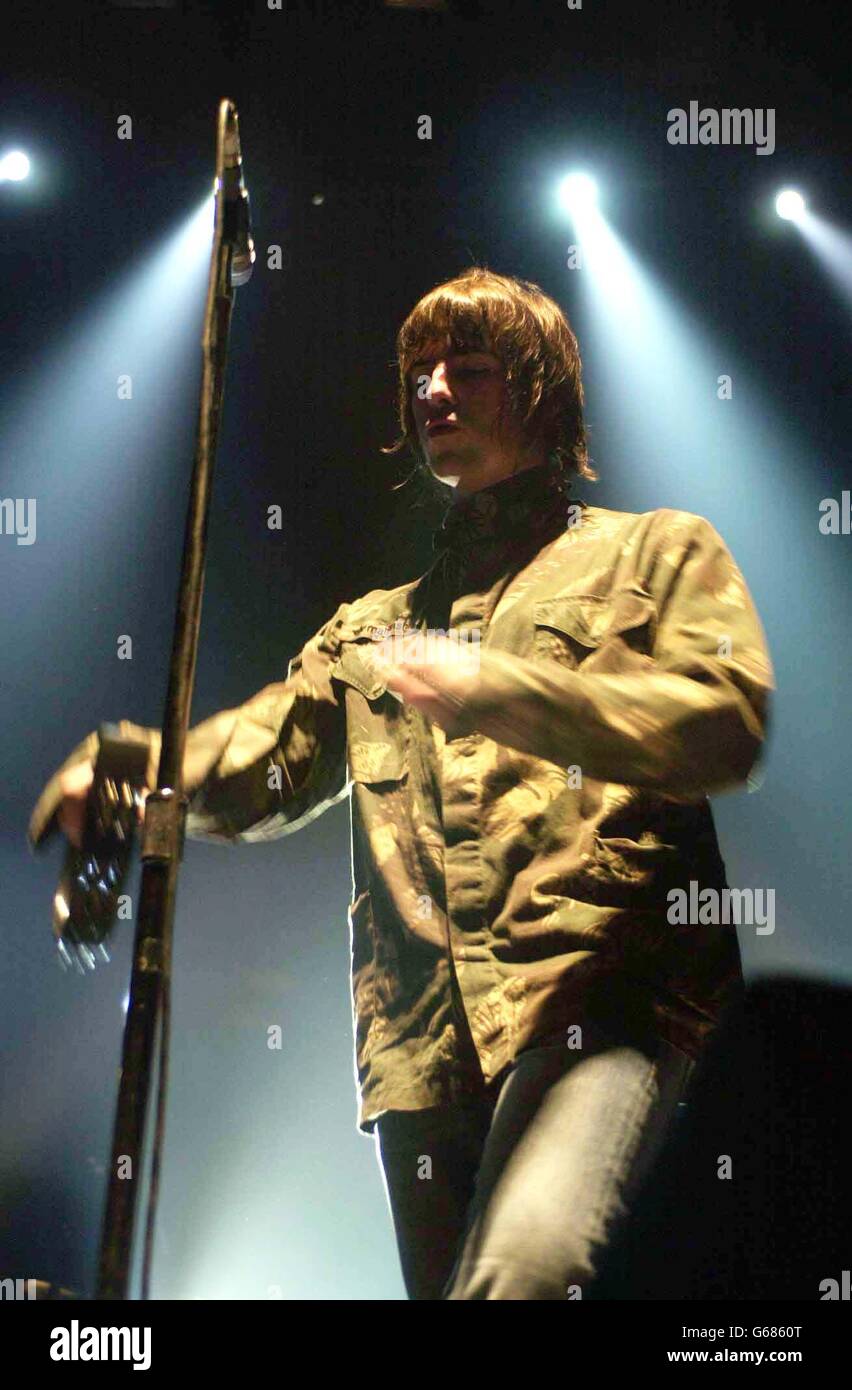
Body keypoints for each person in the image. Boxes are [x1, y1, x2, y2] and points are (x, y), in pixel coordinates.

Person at [29, 267, 774, 1300]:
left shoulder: (654, 552)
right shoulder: (374, 629)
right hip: (421, 1053)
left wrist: (505, 691)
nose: (431, 391)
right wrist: (131, 763)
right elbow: (262, 758)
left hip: (605, 1002)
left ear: (541, 392)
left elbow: (726, 721)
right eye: (419, 373)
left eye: (466, 369)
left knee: (523, 1275)